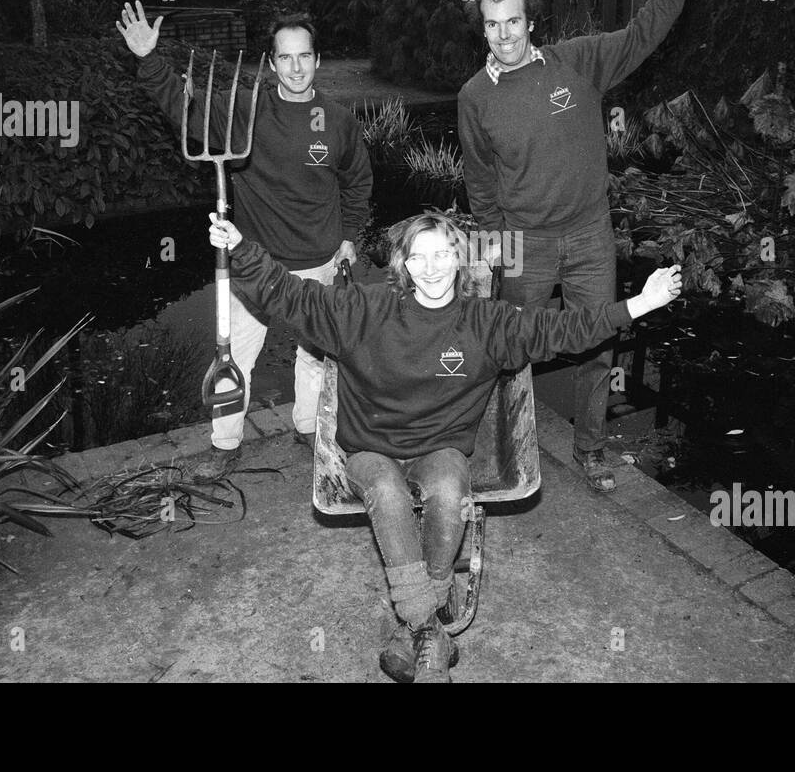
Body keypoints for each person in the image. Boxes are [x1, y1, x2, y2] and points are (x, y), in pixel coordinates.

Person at [208, 209, 683, 682]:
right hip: (371, 448)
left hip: (440, 448)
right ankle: (430, 627)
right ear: (403, 265)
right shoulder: (363, 310)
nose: (431, 267)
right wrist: (241, 248)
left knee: (450, 489)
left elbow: (560, 331)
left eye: (441, 254)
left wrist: (640, 303)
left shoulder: (488, 322)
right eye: (418, 257)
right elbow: (291, 296)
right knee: (388, 492)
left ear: (460, 258)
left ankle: (416, 625)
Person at [457, 0, 706, 492]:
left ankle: (592, 447)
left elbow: (643, 34)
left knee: (599, 340)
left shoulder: (580, 62)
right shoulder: (474, 98)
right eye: (492, 26)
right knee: (509, 343)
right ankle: (501, 443)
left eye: (513, 21)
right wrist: (492, 243)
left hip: (591, 236)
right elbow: (480, 177)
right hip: (524, 241)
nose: (504, 35)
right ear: (484, 32)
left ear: (530, 23)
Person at [116, 3, 373, 460]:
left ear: (317, 59)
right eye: (285, 58)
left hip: (319, 261)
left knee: (315, 358)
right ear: (271, 63)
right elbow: (185, 108)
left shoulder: (338, 121)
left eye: (305, 56)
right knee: (233, 357)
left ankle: (310, 430)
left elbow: (356, 181)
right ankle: (225, 443)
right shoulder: (244, 111)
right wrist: (149, 60)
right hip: (254, 263)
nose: (296, 67)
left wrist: (350, 236)